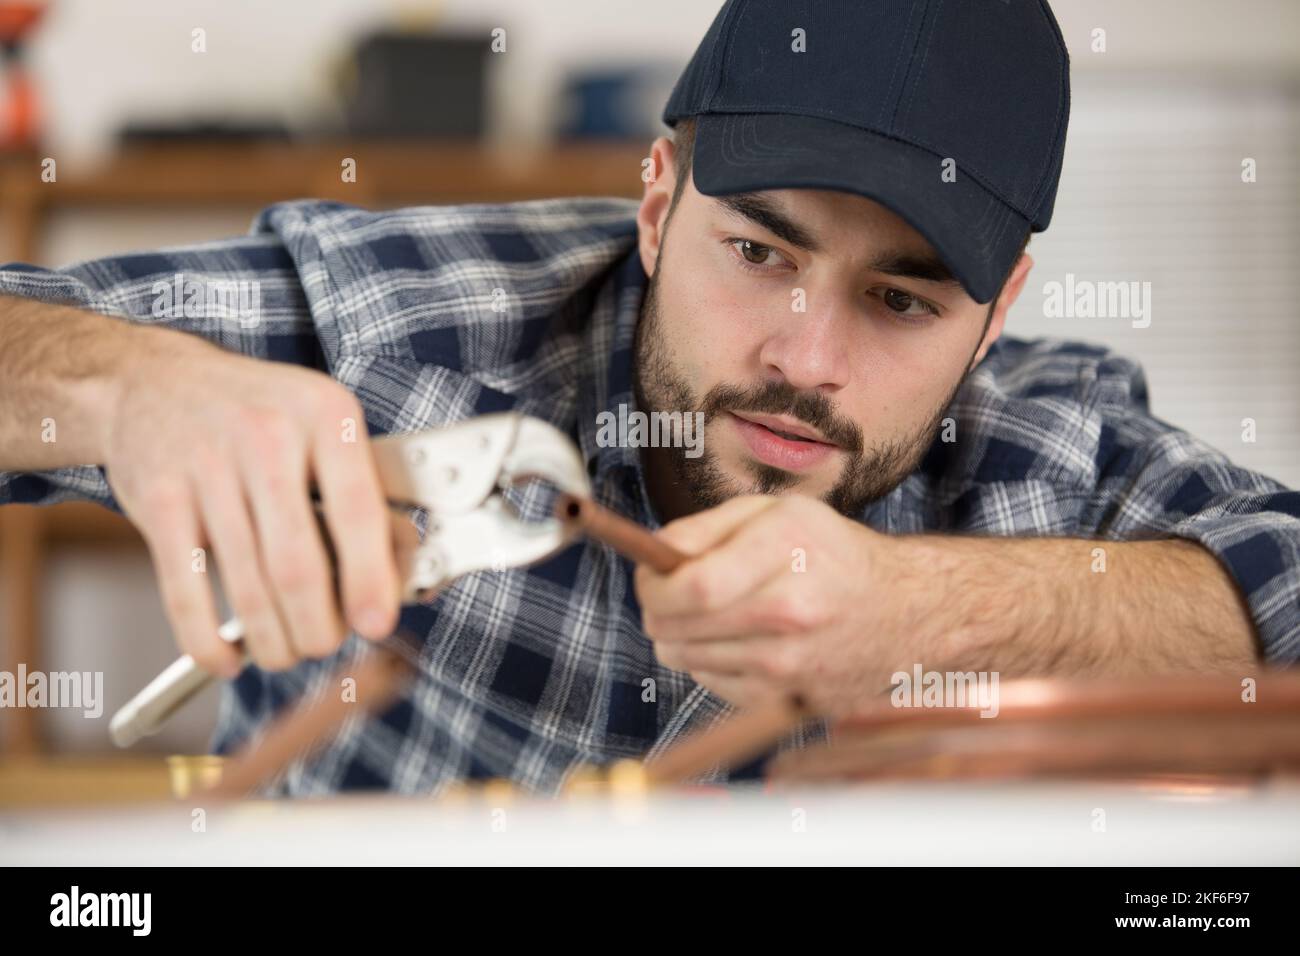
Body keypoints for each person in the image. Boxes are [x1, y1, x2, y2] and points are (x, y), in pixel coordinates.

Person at [1, 0, 1295, 794]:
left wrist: (928, 608)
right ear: (661, 198)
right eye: (761, 253)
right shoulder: (406, 322)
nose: (808, 362)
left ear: (999, 311)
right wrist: (124, 385)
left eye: (900, 300)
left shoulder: (1049, 453)